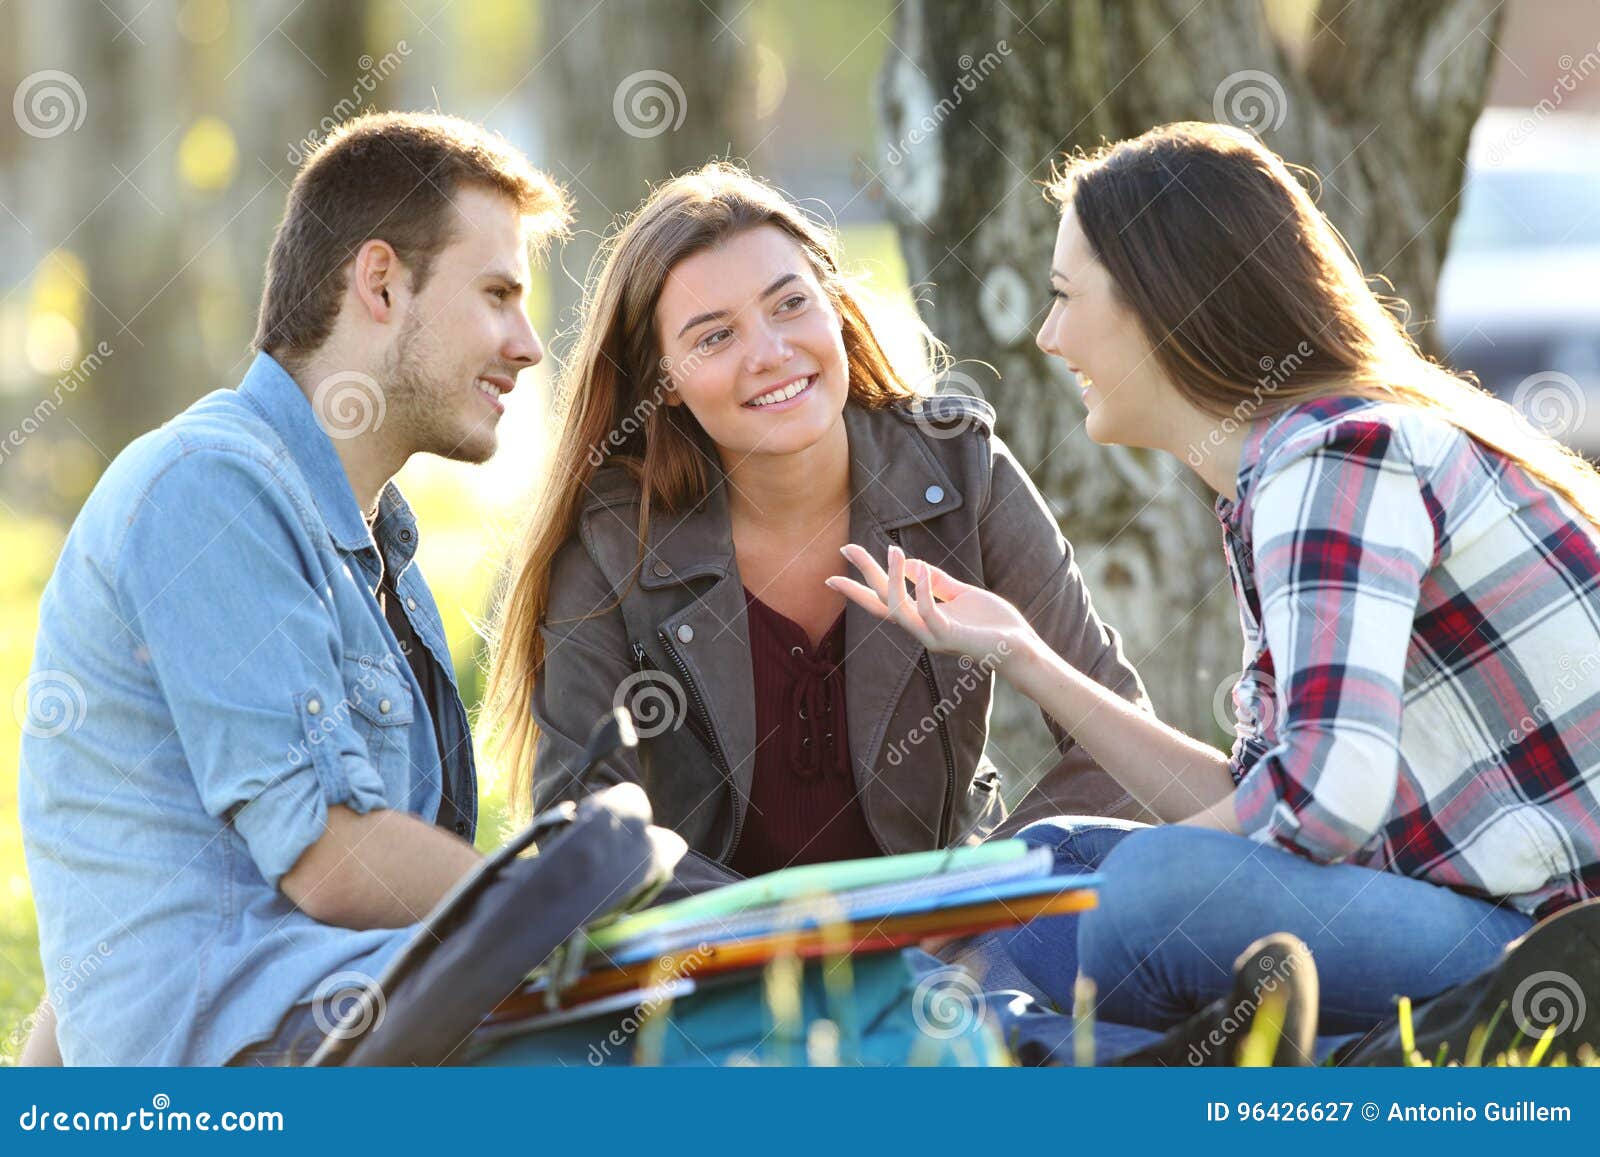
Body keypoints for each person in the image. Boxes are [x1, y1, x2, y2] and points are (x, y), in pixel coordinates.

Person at [832, 121, 1600, 1063]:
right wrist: (1024, 656)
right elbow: (1263, 797)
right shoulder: (1284, 471)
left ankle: (1285, 1060)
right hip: (1465, 914)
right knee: (1053, 857)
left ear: (1165, 305)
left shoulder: (1335, 457)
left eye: (1068, 297)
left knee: (1147, 891)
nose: (1047, 335)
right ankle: (1149, 1065)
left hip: (1547, 946)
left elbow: (1321, 800)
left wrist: (1135, 874)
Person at [17, 111, 569, 1065]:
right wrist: (557, 915)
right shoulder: (207, 488)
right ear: (382, 282)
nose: (526, 342)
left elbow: (119, 937)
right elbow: (332, 854)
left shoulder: (377, 550)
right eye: (496, 294)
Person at [484, 162, 1153, 895]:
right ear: (661, 384)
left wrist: (968, 913)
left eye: (790, 303)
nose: (770, 352)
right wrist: (786, 947)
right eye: (713, 338)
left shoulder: (962, 471)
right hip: (719, 973)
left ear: (834, 306)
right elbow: (582, 833)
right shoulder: (613, 538)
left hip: (950, 957)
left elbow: (1117, 741)